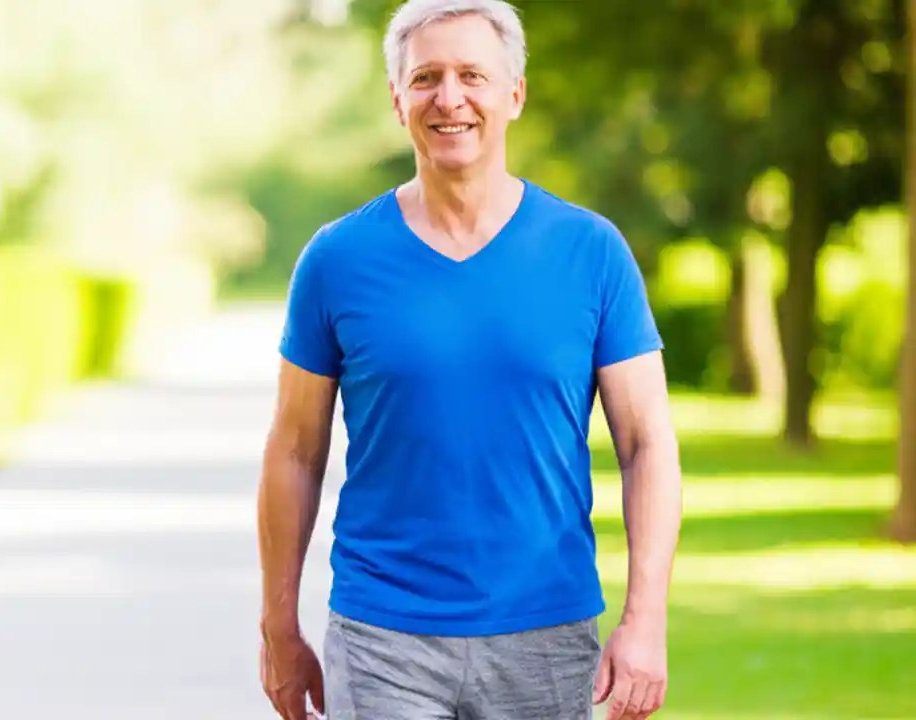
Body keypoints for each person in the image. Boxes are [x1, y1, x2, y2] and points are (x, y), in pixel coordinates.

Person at [256, 1, 683, 719]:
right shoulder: (336, 259)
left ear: (513, 94)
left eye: (471, 76)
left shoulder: (592, 252)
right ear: (397, 101)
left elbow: (647, 443)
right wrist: (278, 624)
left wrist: (647, 618)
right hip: (381, 636)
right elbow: (294, 450)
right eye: (425, 78)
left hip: (546, 636)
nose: (449, 98)